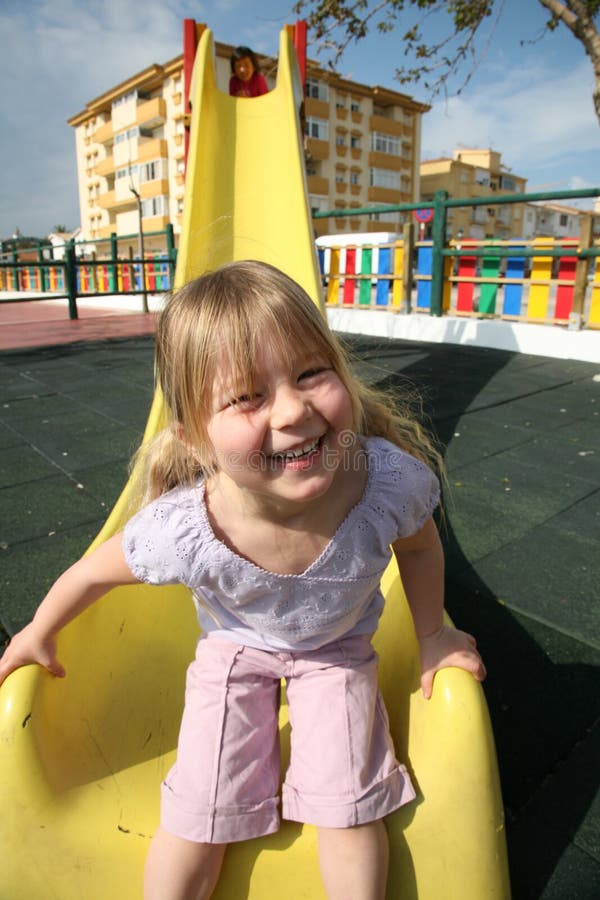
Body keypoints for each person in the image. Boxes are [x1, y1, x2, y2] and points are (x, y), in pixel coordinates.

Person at [0, 261, 486, 900]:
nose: (293, 409)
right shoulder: (186, 529)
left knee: (350, 809)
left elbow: (420, 551)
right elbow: (93, 573)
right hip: (235, 651)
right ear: (196, 441)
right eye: (246, 397)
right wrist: (39, 631)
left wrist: (431, 635)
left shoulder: (383, 483)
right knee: (199, 812)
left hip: (338, 650)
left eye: (312, 373)